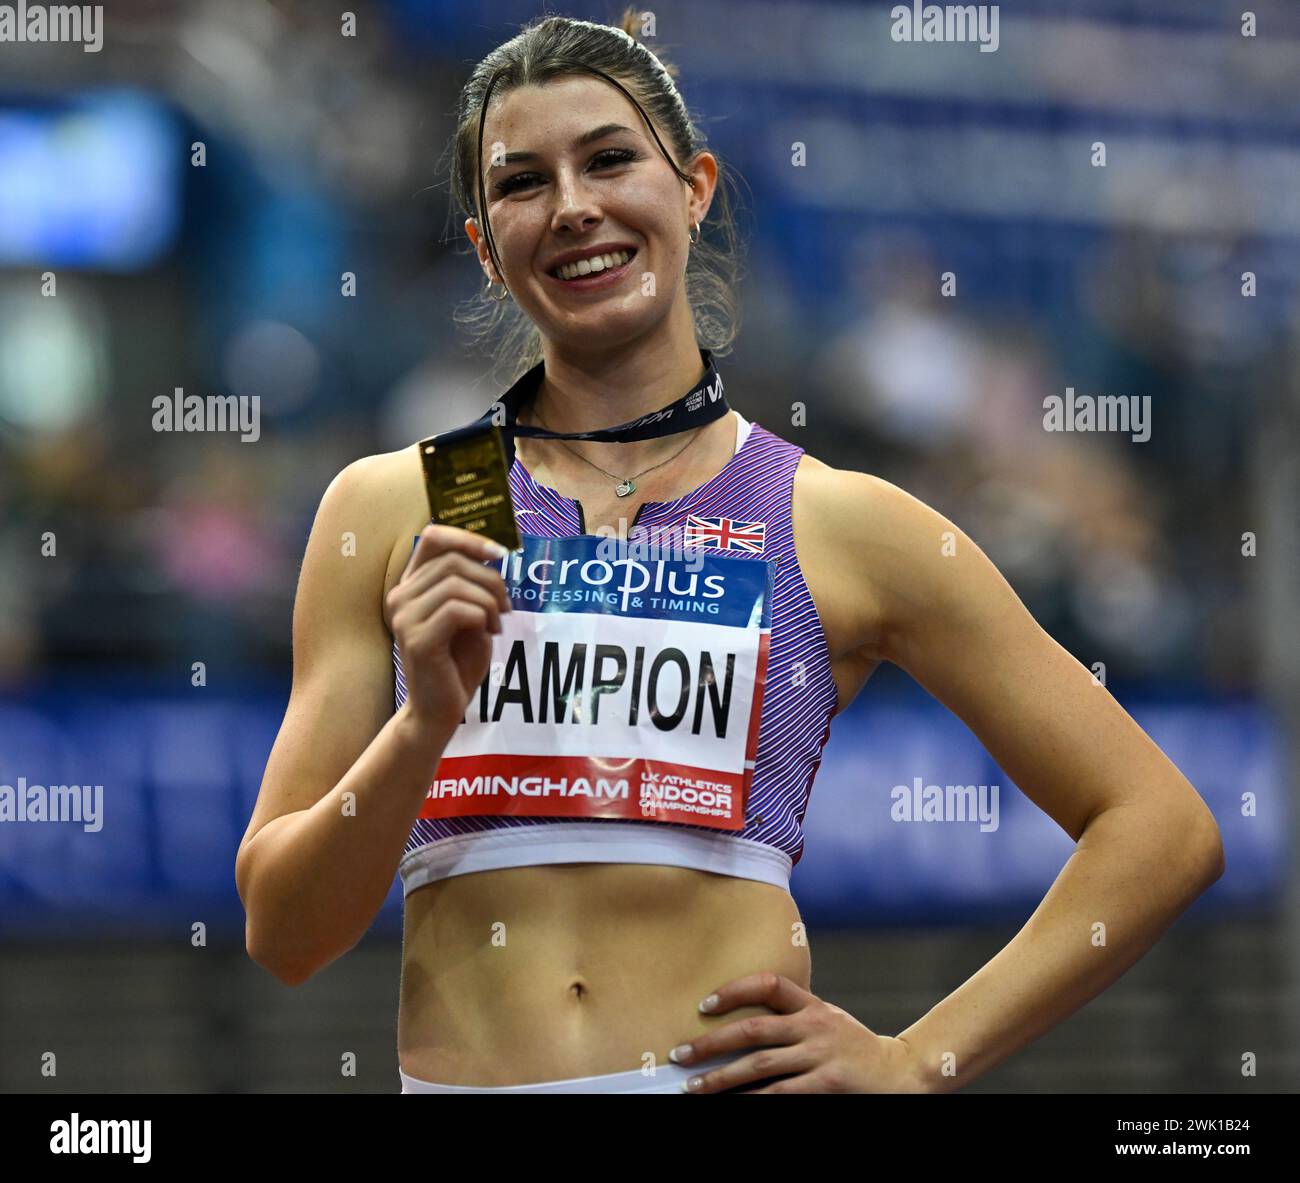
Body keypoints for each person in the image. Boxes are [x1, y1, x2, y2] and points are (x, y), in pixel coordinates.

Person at [235, 11, 1224, 1095]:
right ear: (484, 242)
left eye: (610, 159)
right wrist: (422, 722)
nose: (573, 207)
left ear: (693, 187)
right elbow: (284, 933)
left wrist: (915, 1062)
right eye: (522, 183)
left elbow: (1160, 827)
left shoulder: (841, 523)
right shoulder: (402, 506)